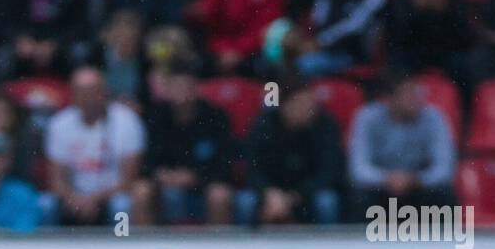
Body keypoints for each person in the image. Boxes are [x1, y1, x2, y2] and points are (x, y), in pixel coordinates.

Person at [44, 66, 149, 226]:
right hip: (73, 197)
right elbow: (57, 180)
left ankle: (124, 244)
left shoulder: (128, 121)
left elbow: (128, 179)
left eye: (93, 91)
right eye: (82, 92)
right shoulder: (59, 124)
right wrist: (74, 198)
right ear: (73, 95)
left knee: (122, 207)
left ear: (105, 92)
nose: (88, 98)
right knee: (46, 205)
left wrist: (94, 199)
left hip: (112, 195)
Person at [133, 63, 235, 225]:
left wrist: (195, 176)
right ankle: (143, 247)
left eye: (186, 87)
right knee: (141, 191)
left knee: (220, 195)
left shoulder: (216, 117)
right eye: (175, 86)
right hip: (164, 184)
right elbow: (147, 161)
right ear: (166, 90)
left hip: (204, 183)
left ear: (196, 89)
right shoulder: (155, 116)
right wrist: (162, 175)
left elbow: (224, 163)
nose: (181, 92)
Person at [237, 77, 344, 225]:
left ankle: (331, 246)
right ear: (284, 106)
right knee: (245, 202)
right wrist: (269, 193)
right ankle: (243, 247)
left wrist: (294, 197)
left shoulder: (326, 125)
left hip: (307, 192)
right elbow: (251, 169)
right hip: (270, 193)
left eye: (311, 104)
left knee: (327, 201)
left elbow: (329, 172)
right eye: (301, 104)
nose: (309, 109)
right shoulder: (263, 126)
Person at [348, 73, 457, 213]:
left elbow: (444, 169)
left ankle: (441, 235)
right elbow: (358, 169)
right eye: (409, 94)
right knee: (359, 194)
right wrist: (387, 179)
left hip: (419, 185)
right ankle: (362, 235)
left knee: (443, 194)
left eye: (418, 93)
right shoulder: (366, 117)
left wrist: (415, 179)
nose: (417, 99)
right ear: (389, 99)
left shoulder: (434, 117)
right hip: (381, 187)